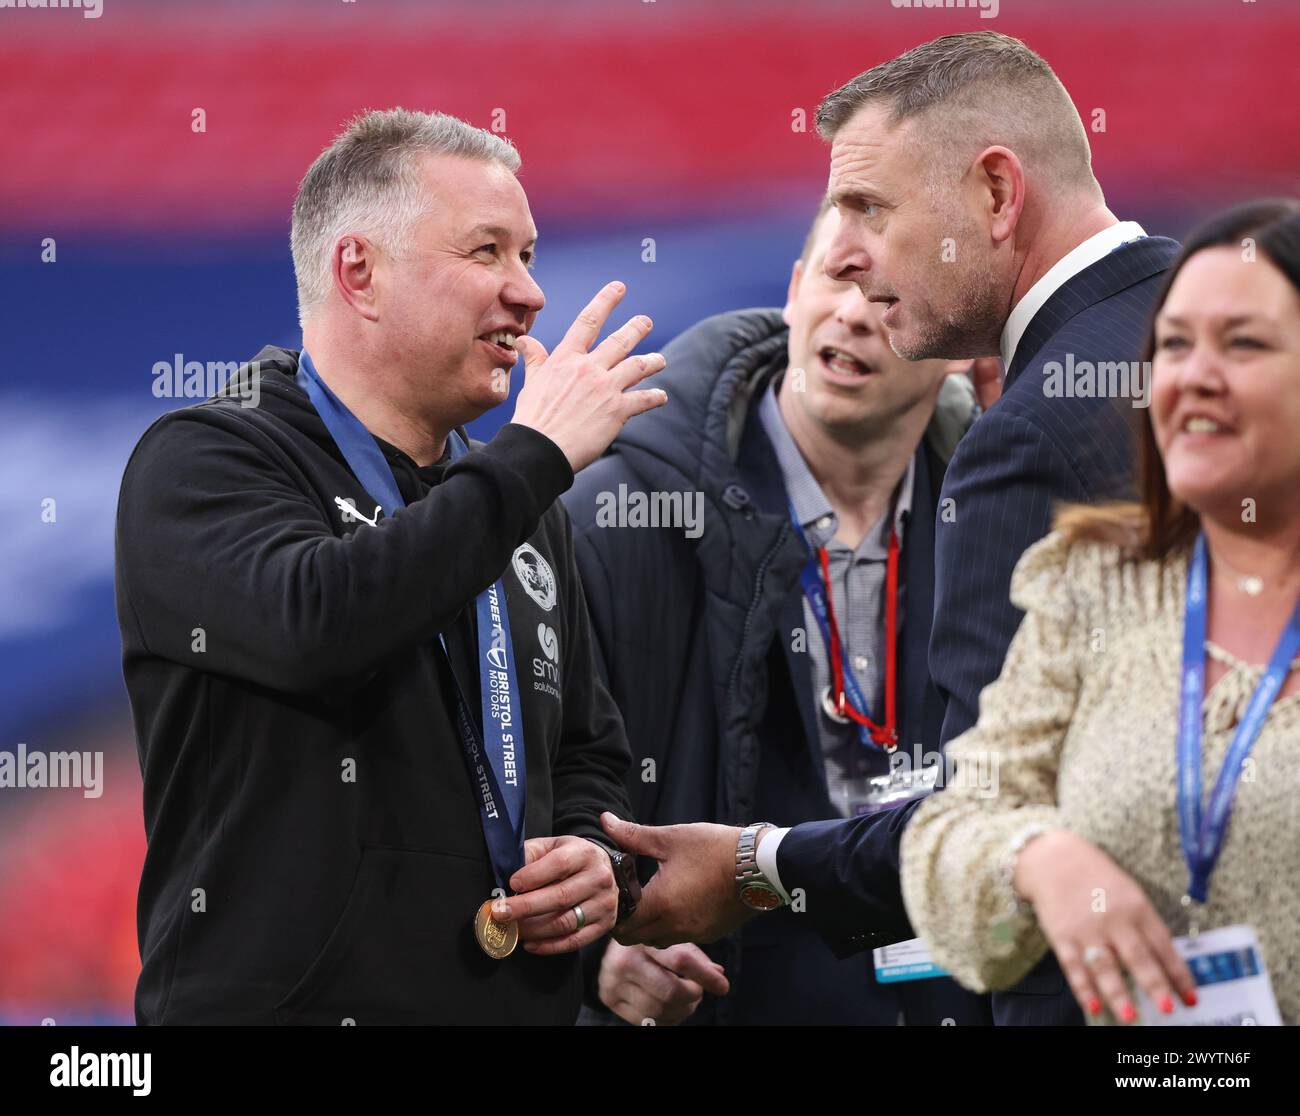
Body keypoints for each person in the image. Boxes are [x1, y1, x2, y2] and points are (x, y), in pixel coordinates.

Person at [600, 31, 1182, 1026]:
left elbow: (982, 830)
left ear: (997, 195)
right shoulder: (1230, 329)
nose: (856, 258)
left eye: (874, 207)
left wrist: (753, 864)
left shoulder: (1025, 439)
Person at [115, 108, 663, 1024]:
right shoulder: (206, 458)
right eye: (487, 252)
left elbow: (585, 751)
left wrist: (592, 859)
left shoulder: (516, 500)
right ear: (358, 272)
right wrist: (531, 458)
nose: (528, 293)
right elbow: (320, 624)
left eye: (528, 255)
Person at [564, 198, 993, 1025]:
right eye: (839, 276)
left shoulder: (996, 525)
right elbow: (530, 801)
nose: (854, 315)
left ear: (957, 348)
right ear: (795, 289)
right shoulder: (609, 520)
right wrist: (597, 955)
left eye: (891, 295)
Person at [902, 198, 1300, 1026]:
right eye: (1176, 343)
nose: (1195, 374)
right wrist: (1040, 857)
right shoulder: (1093, 581)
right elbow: (957, 823)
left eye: (1245, 344)